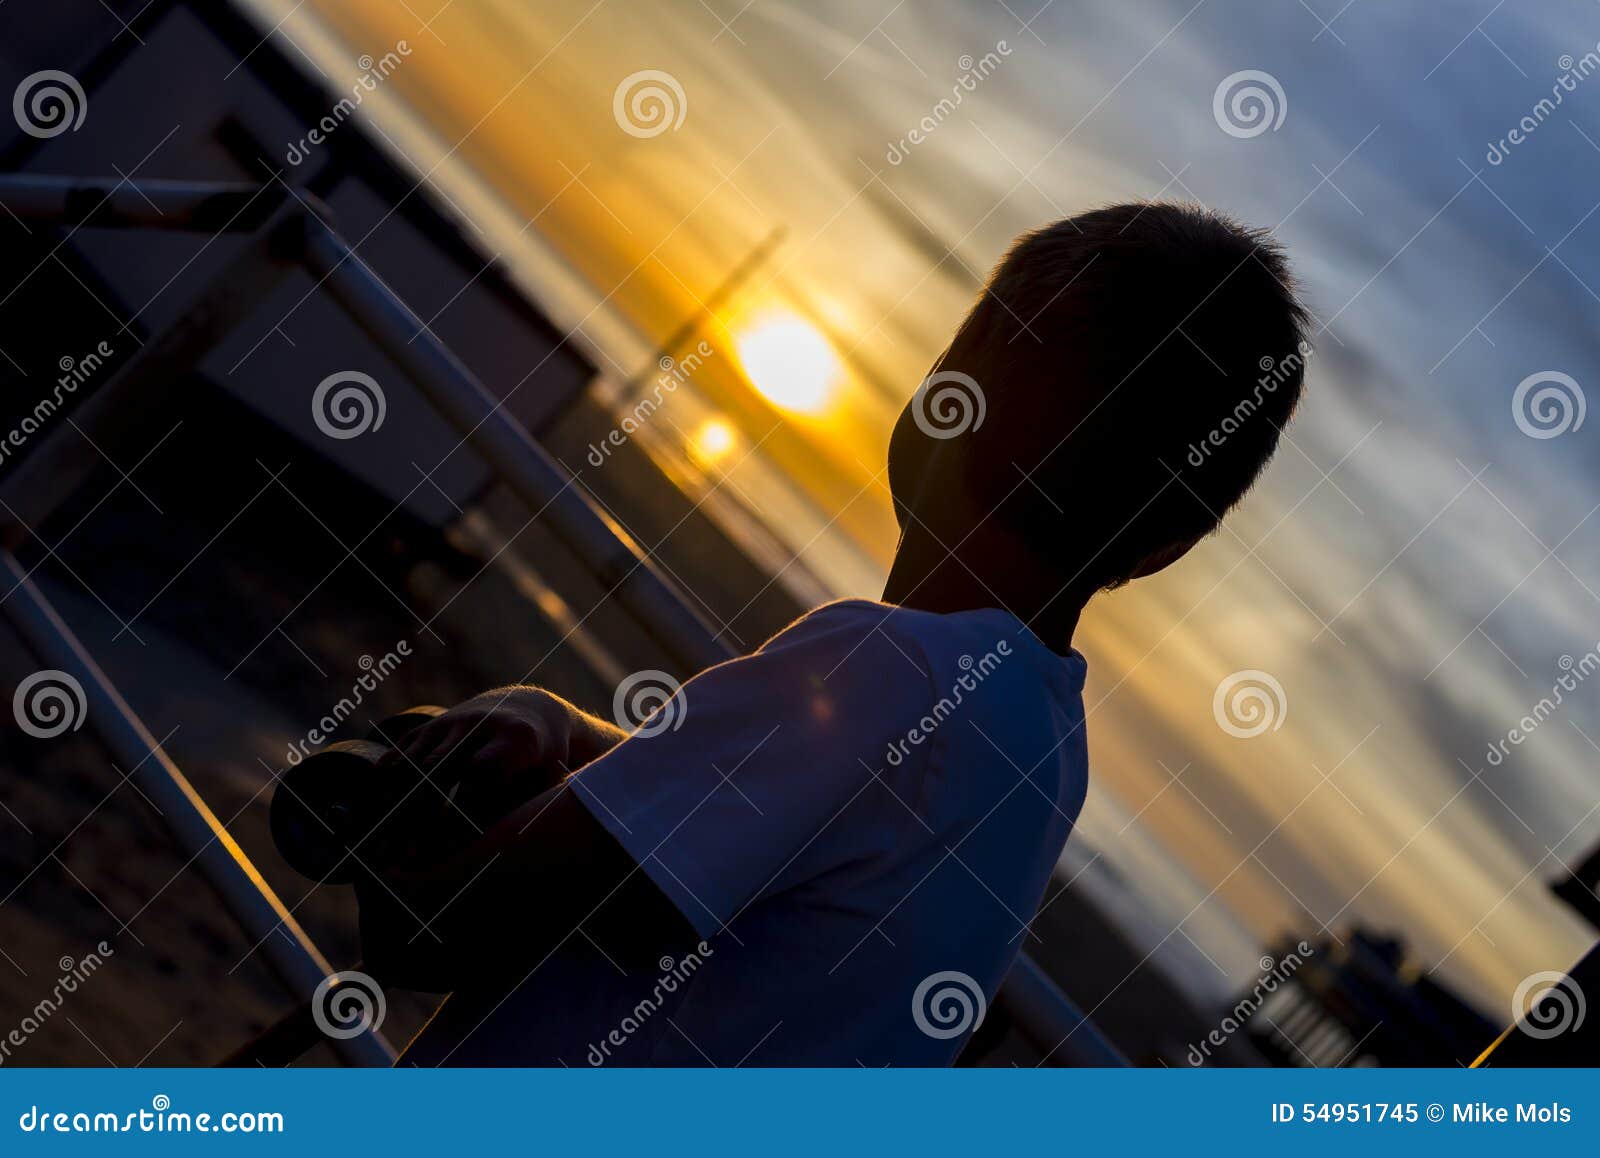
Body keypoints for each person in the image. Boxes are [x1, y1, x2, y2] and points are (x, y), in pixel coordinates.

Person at [357, 202, 1311, 1066]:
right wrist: (563, 729)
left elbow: (423, 926)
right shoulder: (1043, 752)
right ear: (1164, 547)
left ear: (947, 387)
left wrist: (425, 785)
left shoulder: (878, 675)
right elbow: (758, 829)